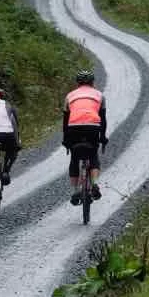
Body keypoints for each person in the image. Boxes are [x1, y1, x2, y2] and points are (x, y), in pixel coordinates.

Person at [63, 69, 107, 205]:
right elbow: (103, 119)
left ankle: (76, 191)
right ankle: (94, 184)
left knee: (75, 158)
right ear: (93, 82)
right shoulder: (100, 95)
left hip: (73, 127)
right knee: (93, 154)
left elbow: (65, 121)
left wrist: (66, 140)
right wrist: (103, 137)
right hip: (92, 127)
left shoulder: (69, 96)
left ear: (77, 83)